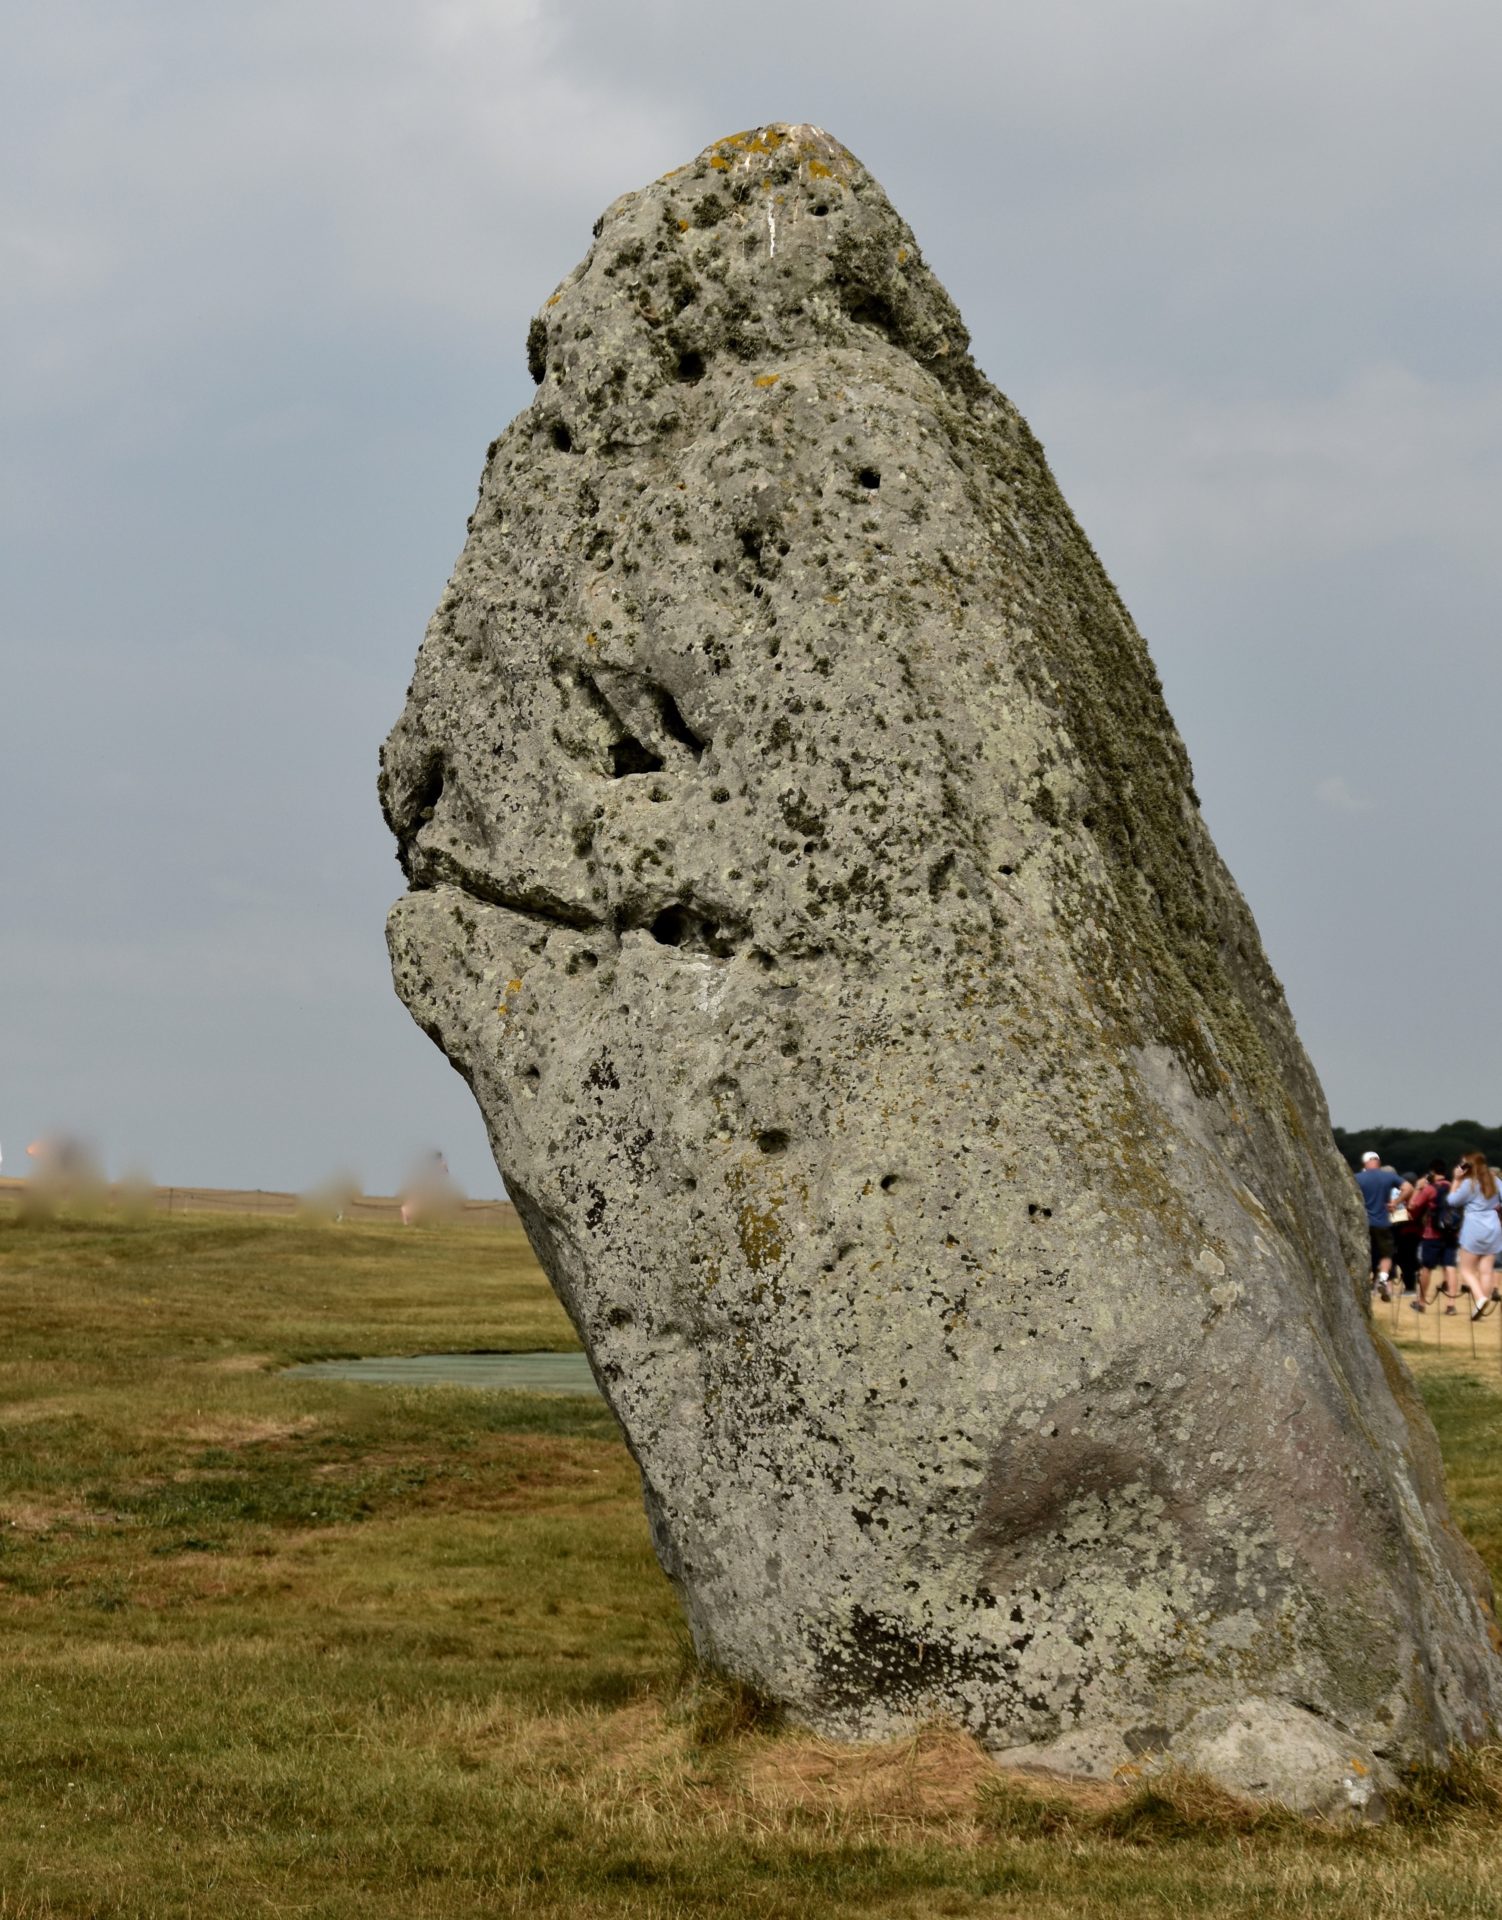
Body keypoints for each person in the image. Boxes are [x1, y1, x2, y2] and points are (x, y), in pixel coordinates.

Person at [1448, 1152, 1502, 1320]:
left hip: (1474, 1225)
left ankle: (1480, 1298)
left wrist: (1456, 1180)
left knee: (1467, 1270)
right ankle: (1481, 1308)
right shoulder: (1496, 1181)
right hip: (1493, 1225)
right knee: (1486, 1271)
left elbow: (1452, 1201)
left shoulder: (1469, 1184)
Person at [1409, 1160, 1460, 1312]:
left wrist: (1418, 1188)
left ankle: (1422, 1302)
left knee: (1427, 1268)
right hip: (1451, 1233)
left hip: (1432, 1234)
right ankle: (1451, 1304)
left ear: (1432, 1172)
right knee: (1450, 1267)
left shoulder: (1430, 1189)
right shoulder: (1453, 1187)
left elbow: (1413, 1205)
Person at [1355, 1150, 1401, 1299]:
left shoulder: (1357, 1178)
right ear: (1378, 1162)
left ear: (1365, 1163)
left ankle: (1362, 1282)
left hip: (1363, 1222)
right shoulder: (1389, 1176)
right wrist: (1395, 1202)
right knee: (1386, 1253)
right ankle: (1382, 1277)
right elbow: (1408, 1188)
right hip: (1383, 1222)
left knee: (1364, 1253)